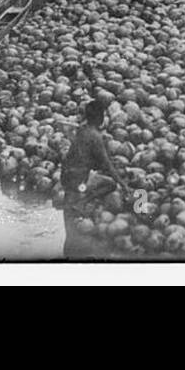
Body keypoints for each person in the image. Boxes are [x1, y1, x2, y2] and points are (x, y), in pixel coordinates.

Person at [58, 98, 130, 259]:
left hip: (67, 177)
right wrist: (124, 185)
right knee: (110, 184)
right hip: (78, 181)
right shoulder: (95, 136)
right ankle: (82, 201)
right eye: (103, 115)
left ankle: (68, 252)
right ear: (99, 118)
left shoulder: (82, 130)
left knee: (69, 222)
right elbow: (107, 165)